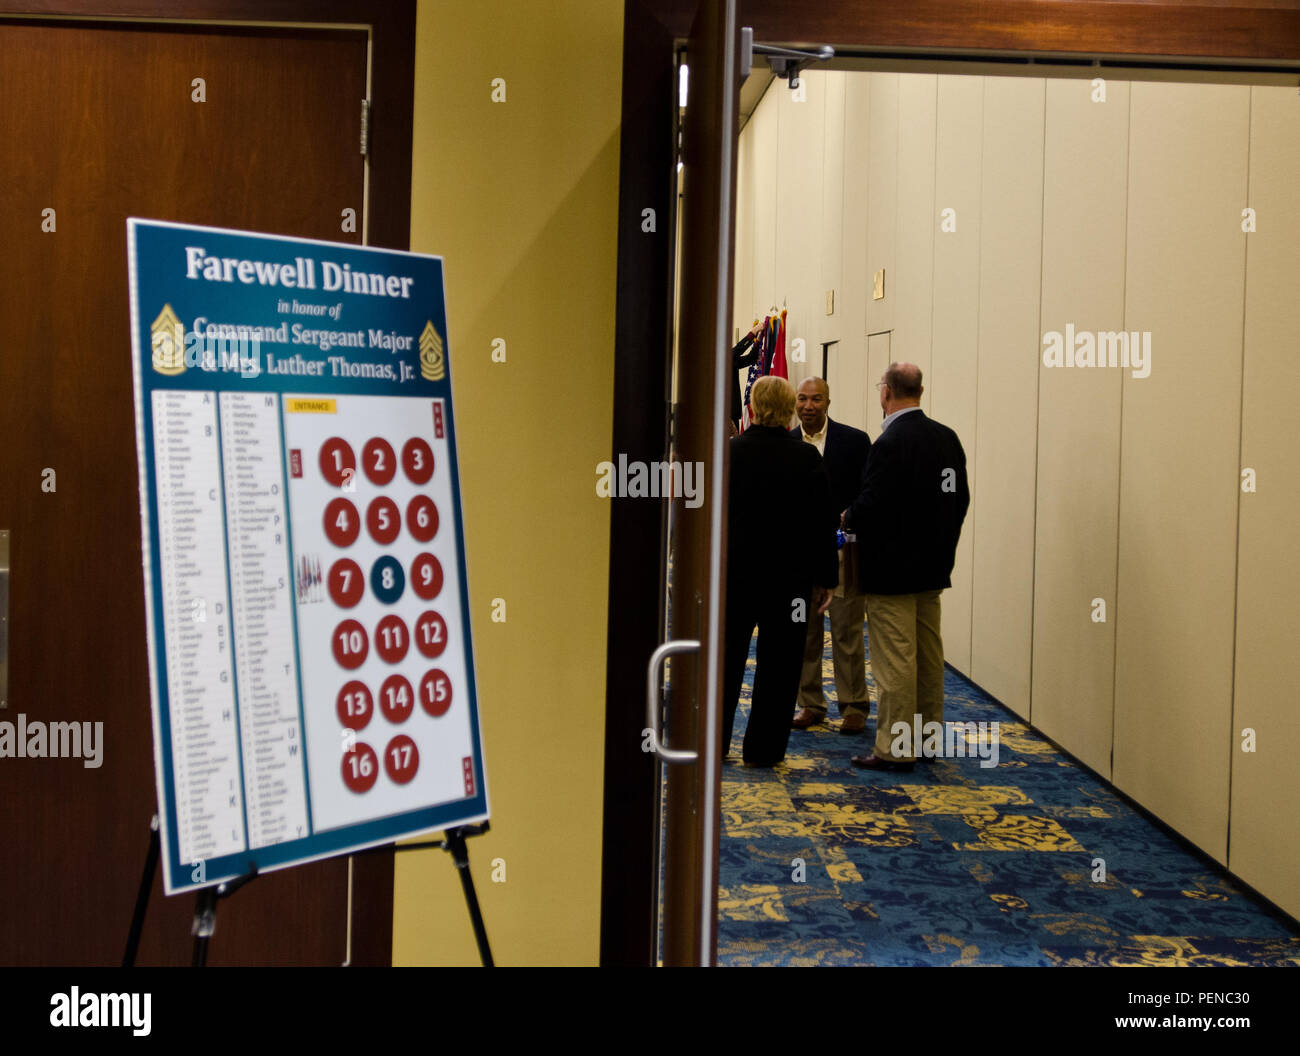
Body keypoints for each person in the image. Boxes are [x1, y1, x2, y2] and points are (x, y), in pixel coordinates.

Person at [842, 363, 970, 771]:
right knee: (928, 658)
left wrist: (848, 517)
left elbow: (873, 505)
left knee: (895, 660)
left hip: (892, 572)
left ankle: (895, 748)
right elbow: (958, 498)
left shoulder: (889, 443)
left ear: (886, 393)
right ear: (921, 390)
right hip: (932, 569)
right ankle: (928, 738)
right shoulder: (946, 438)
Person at [723, 375, 838, 767]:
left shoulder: (729, 454)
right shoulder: (806, 459)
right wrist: (826, 579)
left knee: (725, 662)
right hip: (789, 583)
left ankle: (716, 742)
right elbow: (822, 524)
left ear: (752, 408)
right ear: (790, 409)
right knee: (780, 667)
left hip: (734, 579)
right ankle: (764, 750)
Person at [788, 377, 873, 733]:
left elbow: (869, 491)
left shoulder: (855, 442)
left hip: (843, 551)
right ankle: (810, 704)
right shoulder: (788, 443)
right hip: (800, 555)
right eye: (803, 399)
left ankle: (853, 705)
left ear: (828, 402)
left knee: (847, 631)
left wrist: (848, 516)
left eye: (816, 399)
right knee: (803, 633)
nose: (809, 406)